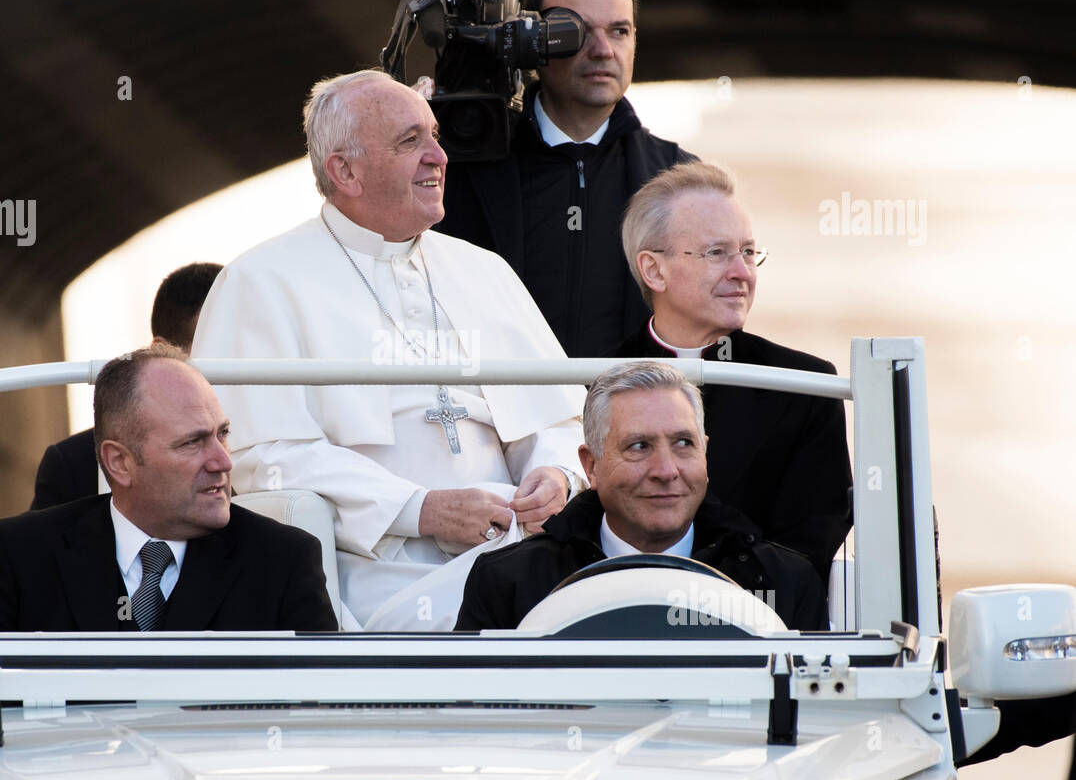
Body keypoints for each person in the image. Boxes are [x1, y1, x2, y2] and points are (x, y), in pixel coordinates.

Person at [192, 69, 586, 631]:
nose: (438, 157)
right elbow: (261, 458)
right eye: (410, 142)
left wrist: (556, 475)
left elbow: (564, 418)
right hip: (376, 568)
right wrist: (418, 509)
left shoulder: (484, 269)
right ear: (344, 170)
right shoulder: (260, 281)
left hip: (523, 549)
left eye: (435, 136)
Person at [0, 345, 337, 632]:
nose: (223, 461)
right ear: (119, 462)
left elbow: (322, 718)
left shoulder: (283, 561)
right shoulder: (21, 556)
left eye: (223, 435)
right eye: (192, 442)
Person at [437, 0, 695, 358]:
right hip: (494, 413)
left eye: (620, 31)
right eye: (576, 31)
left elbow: (707, 316)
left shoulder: (680, 179)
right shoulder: (453, 169)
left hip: (629, 415)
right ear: (532, 42)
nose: (603, 50)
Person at [455, 362, 827, 632]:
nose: (666, 470)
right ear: (592, 466)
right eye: (639, 446)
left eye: (684, 443)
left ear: (705, 453)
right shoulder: (507, 583)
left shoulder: (784, 582)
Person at [615, 162, 851, 579]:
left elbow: (806, 554)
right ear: (654, 270)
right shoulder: (591, 380)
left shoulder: (805, 388)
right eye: (717, 253)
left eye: (747, 252)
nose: (742, 273)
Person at [31, 262, 222, 510]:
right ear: (162, 350)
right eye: (222, 349)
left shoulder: (281, 445)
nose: (221, 461)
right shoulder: (78, 465)